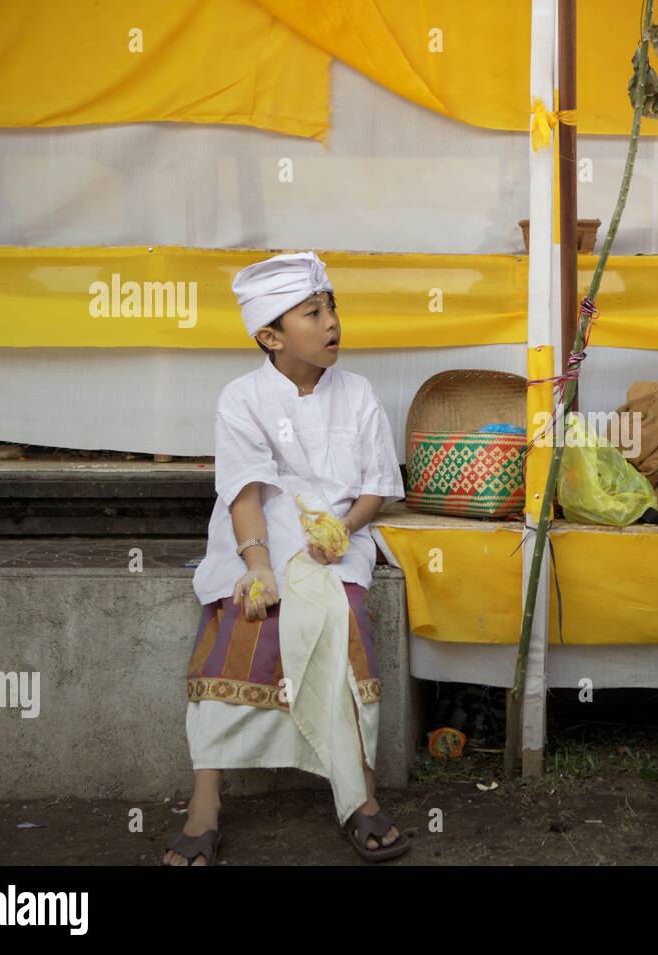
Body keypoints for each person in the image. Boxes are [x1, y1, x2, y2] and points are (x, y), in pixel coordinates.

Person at [162, 250, 409, 864]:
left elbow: (377, 486)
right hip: (259, 534)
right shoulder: (241, 397)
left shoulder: (359, 393)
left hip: (336, 540)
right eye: (313, 313)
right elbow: (245, 489)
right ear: (270, 336)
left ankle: (360, 798)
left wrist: (343, 529)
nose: (332, 324)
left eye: (332, 309)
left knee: (342, 621)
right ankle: (205, 803)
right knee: (243, 624)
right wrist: (258, 566)